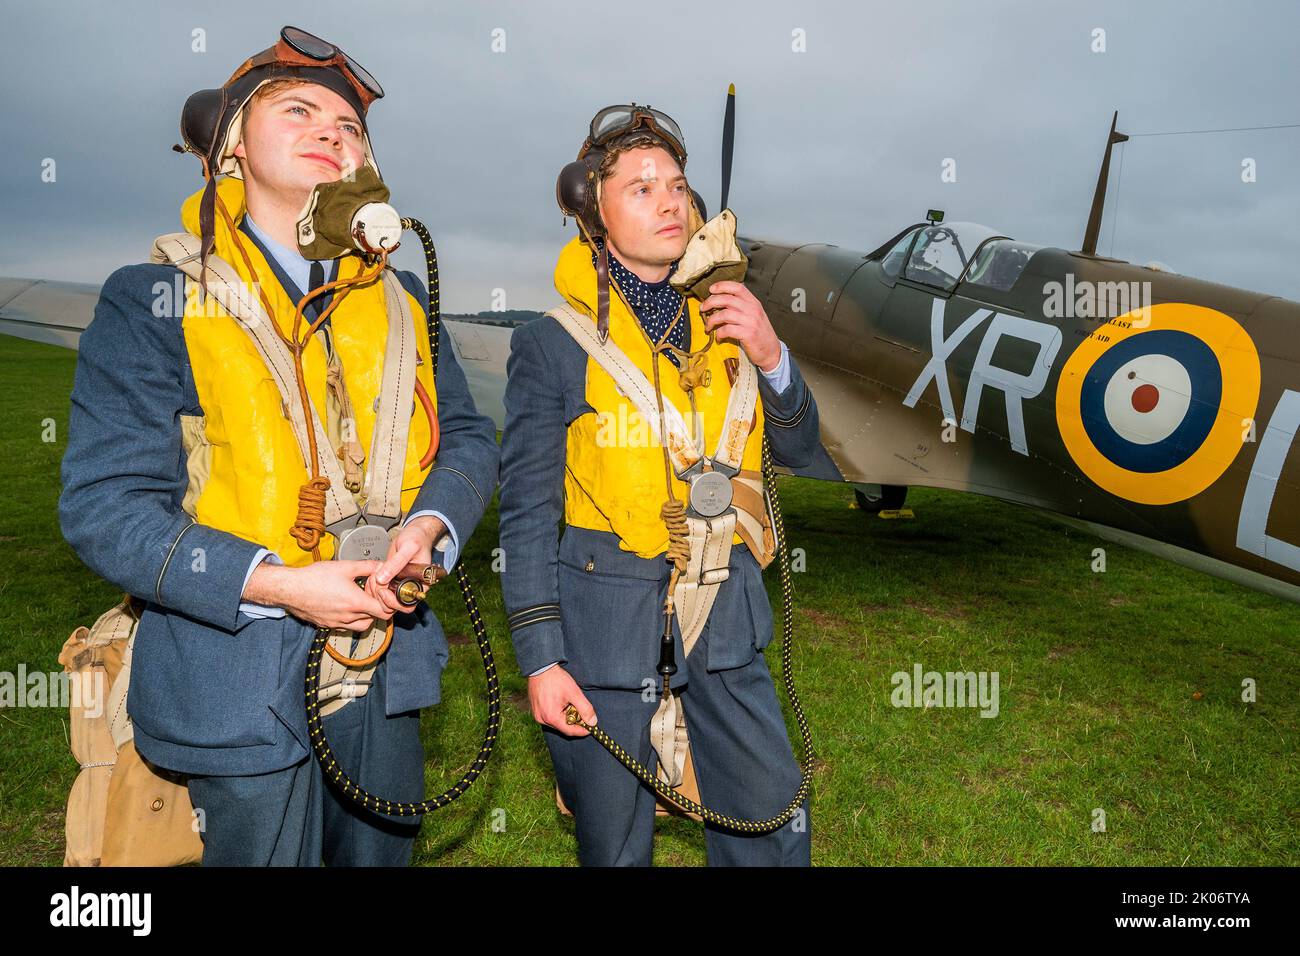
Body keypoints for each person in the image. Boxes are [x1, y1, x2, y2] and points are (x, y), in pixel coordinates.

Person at [58, 26, 499, 866]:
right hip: (234, 683)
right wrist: (280, 584)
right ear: (229, 151)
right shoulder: (153, 298)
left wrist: (431, 526)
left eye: (350, 125)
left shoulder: (401, 298)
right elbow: (104, 507)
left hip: (387, 671)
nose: (332, 130)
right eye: (298, 110)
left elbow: (472, 438)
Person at [498, 104, 822, 866]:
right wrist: (542, 660)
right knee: (612, 850)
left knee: (773, 830)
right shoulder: (550, 345)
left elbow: (803, 450)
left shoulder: (727, 319)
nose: (670, 201)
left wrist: (772, 355)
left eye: (677, 185)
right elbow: (525, 514)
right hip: (600, 634)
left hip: (726, 617)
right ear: (590, 209)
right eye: (641, 188)